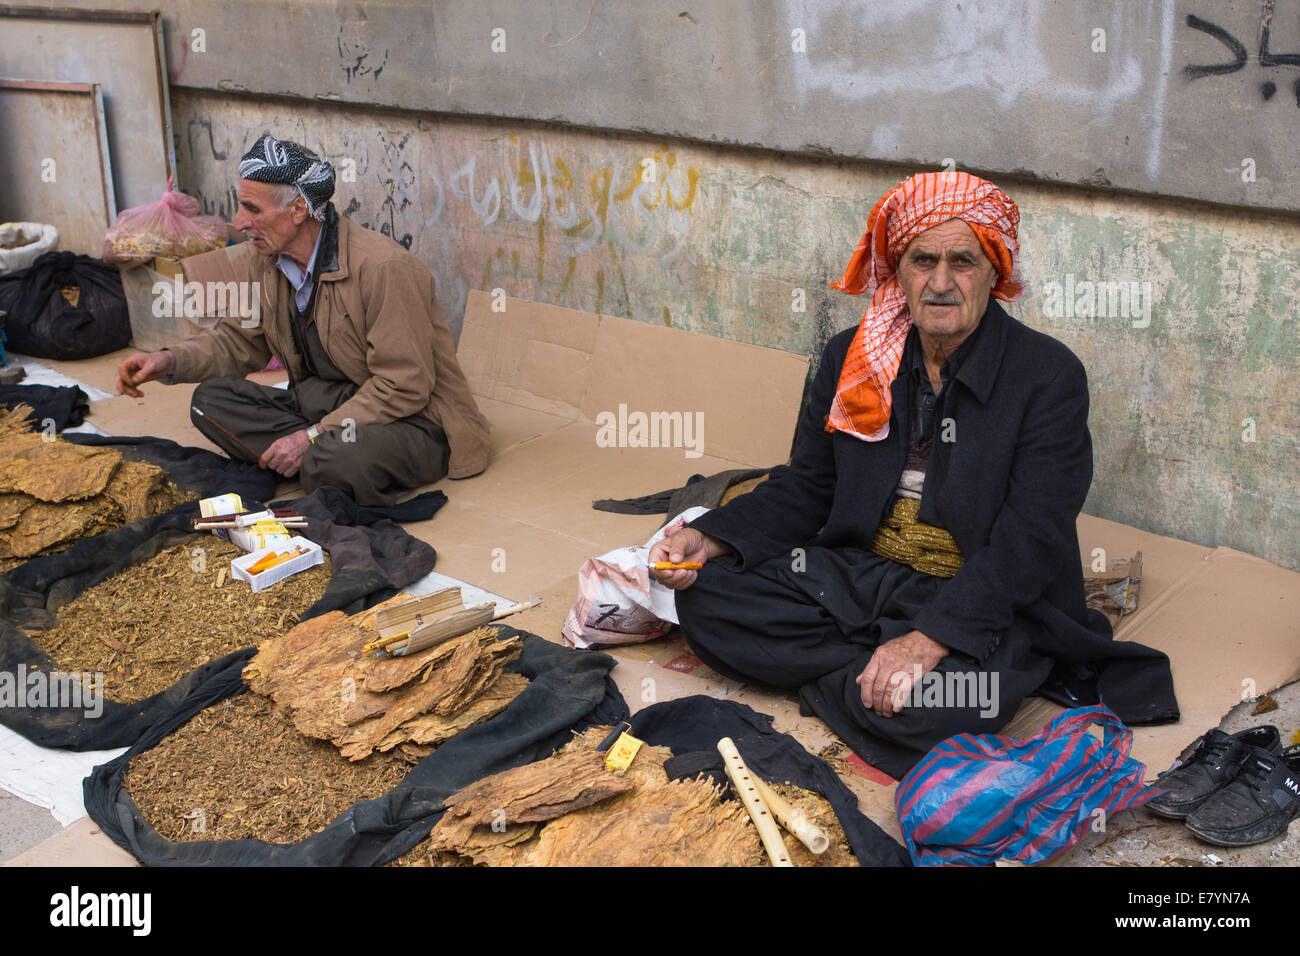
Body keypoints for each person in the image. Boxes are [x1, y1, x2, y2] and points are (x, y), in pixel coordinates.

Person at [651, 171, 1176, 778]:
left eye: (964, 261)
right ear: (899, 271)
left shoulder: (1048, 377)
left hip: (982, 595)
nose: (942, 282)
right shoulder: (853, 356)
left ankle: (852, 676)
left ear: (995, 272)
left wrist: (928, 640)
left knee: (946, 704)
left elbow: (1030, 539)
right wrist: (709, 536)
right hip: (863, 575)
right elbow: (808, 486)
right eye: (923, 260)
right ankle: (869, 681)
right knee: (707, 599)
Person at [117, 134, 491, 506]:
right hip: (325, 405)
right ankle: (310, 455)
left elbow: (404, 386)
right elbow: (238, 341)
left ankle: (313, 455)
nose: (239, 222)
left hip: (411, 420)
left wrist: (310, 437)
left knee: (336, 458)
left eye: (253, 209)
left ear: (298, 210)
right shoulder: (263, 260)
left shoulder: (383, 268)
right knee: (209, 402)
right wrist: (168, 361)